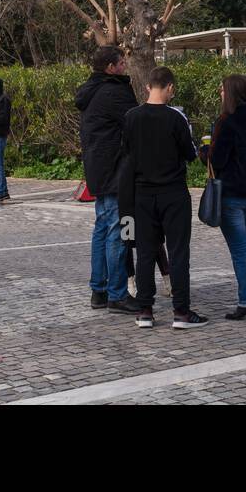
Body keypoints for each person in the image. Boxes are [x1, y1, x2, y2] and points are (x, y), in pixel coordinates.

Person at [120, 65, 206, 330]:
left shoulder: (131, 117)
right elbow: (190, 154)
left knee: (145, 251)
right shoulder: (176, 117)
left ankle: (145, 310)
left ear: (148, 86)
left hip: (142, 194)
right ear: (169, 87)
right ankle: (181, 311)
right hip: (173, 192)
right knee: (178, 251)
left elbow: (126, 153)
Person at [201, 74, 246, 321]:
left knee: (241, 249)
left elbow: (217, 159)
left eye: (222, 90)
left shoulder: (228, 121)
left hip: (231, 193)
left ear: (232, 93)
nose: (220, 93)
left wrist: (204, 151)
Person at [75, 46, 139, 314]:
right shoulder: (114, 90)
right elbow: (135, 123)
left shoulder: (91, 91)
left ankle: (98, 290)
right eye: (122, 63)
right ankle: (117, 293)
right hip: (115, 168)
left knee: (102, 227)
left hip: (97, 167)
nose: (125, 67)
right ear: (111, 67)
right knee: (117, 230)